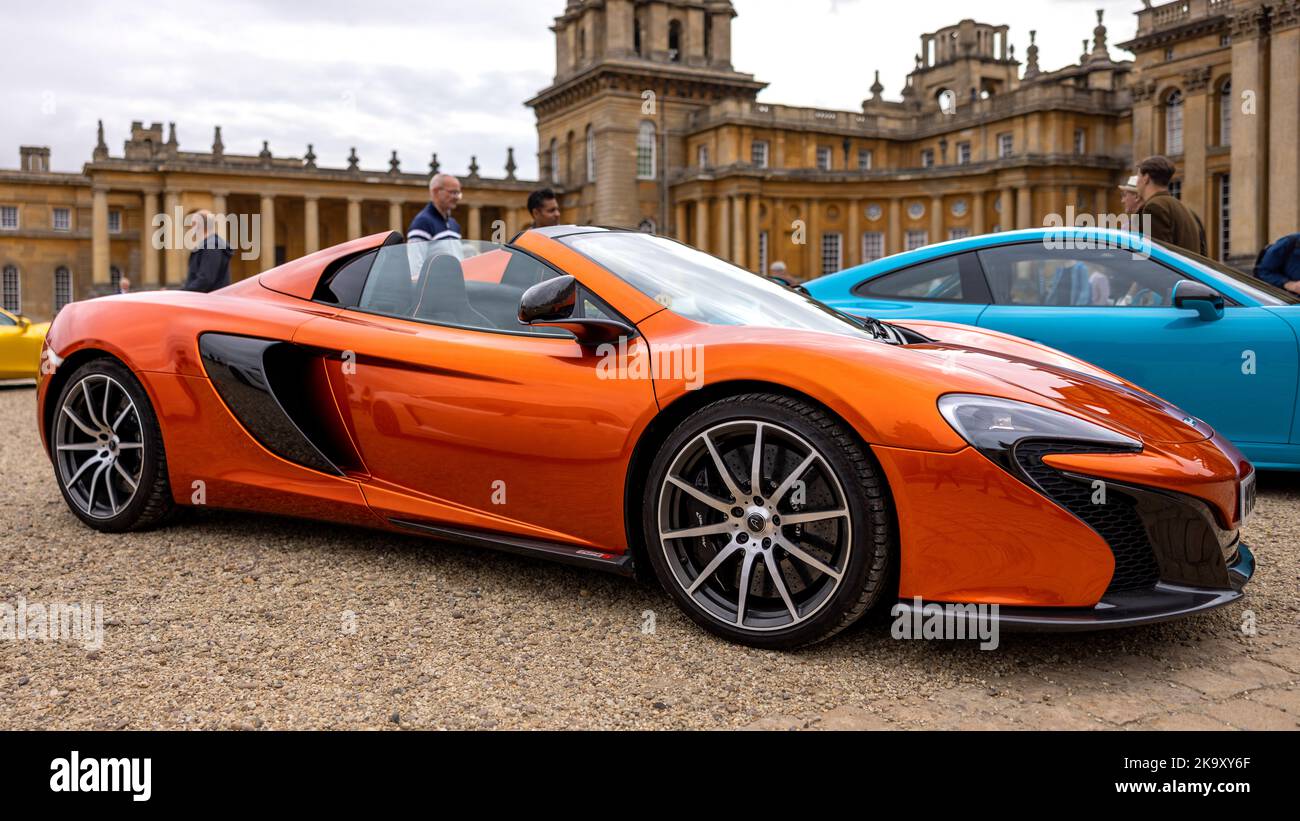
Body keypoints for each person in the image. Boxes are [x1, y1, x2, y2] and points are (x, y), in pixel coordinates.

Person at [1134, 155, 1206, 256]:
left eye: (1138, 177)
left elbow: (1157, 257)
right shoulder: (1187, 210)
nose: (1136, 183)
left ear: (1146, 178)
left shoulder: (1154, 207)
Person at [181, 210, 232, 293]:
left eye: (192, 225)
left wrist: (180, 292)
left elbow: (205, 281)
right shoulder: (208, 245)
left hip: (210, 302)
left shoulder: (211, 246)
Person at [407, 173, 462, 242]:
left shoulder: (454, 224)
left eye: (458, 193)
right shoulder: (422, 222)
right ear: (436, 191)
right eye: (453, 192)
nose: (457, 197)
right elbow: (415, 253)